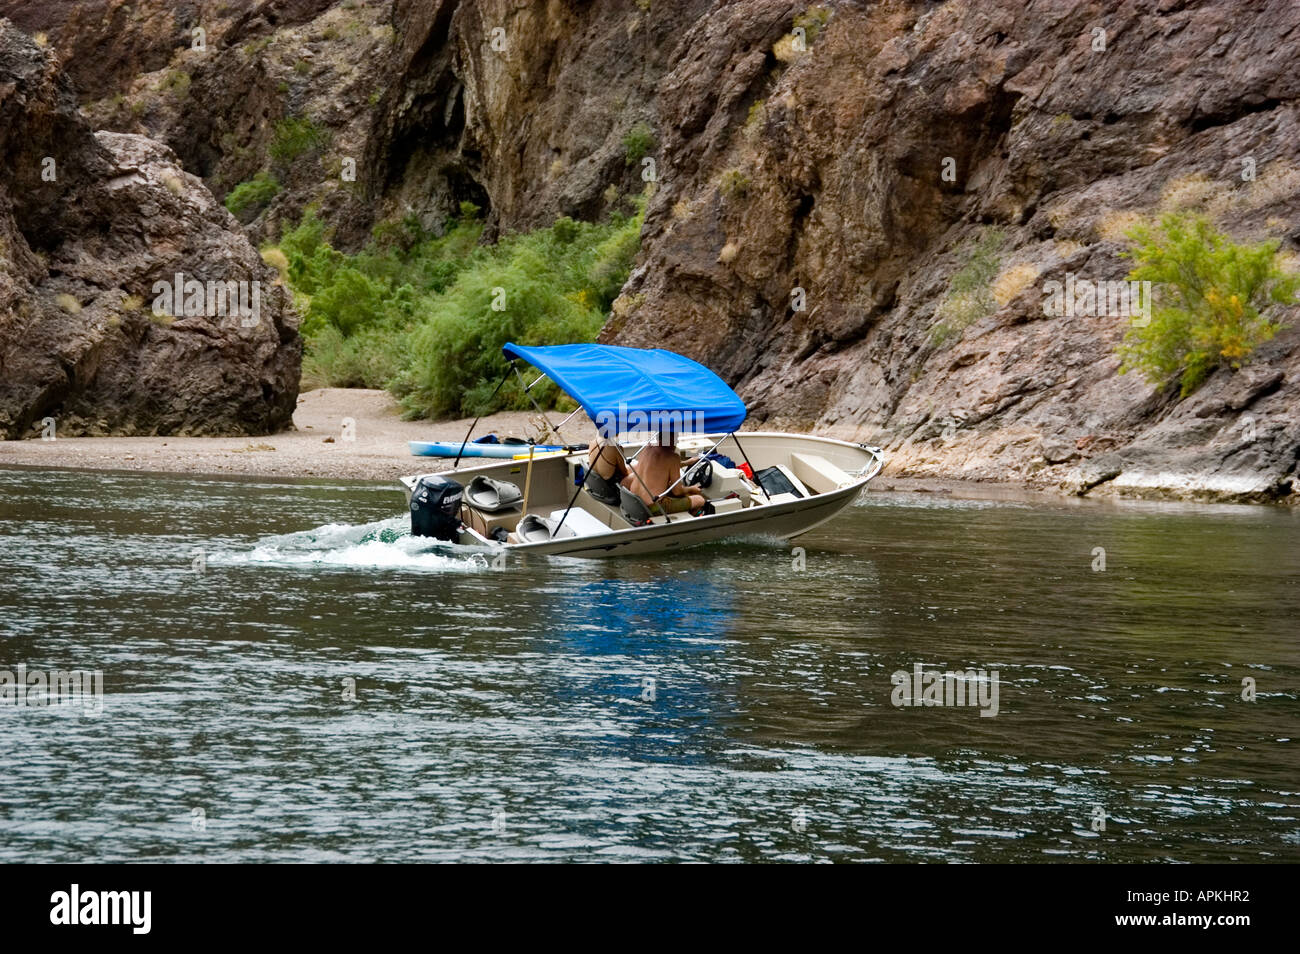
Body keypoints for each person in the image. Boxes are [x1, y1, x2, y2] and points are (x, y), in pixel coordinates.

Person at [624, 430, 711, 516]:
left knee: (675, 490)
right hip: (652, 506)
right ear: (670, 439)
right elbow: (677, 491)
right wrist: (692, 488)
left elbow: (660, 466)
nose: (677, 442)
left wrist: (687, 462)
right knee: (699, 500)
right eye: (676, 438)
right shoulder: (672, 457)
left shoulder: (647, 448)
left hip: (633, 500)